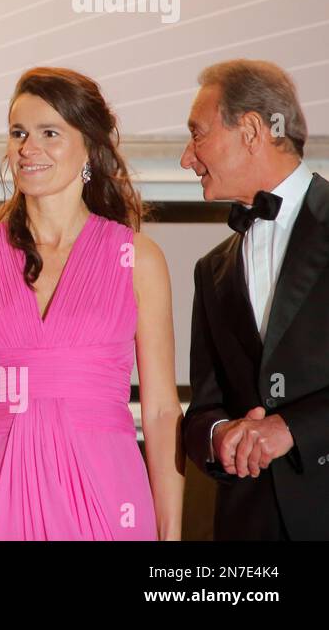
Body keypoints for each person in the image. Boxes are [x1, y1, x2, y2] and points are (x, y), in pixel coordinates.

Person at [0, 69, 183, 540]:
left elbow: (162, 411)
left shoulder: (137, 258)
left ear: (89, 149)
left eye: (49, 133)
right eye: (18, 132)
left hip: (105, 487)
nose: (27, 147)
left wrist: (171, 531)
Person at [179, 60, 328, 540]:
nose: (187, 158)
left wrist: (292, 429)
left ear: (250, 130)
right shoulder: (211, 270)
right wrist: (220, 435)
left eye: (197, 135)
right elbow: (203, 407)